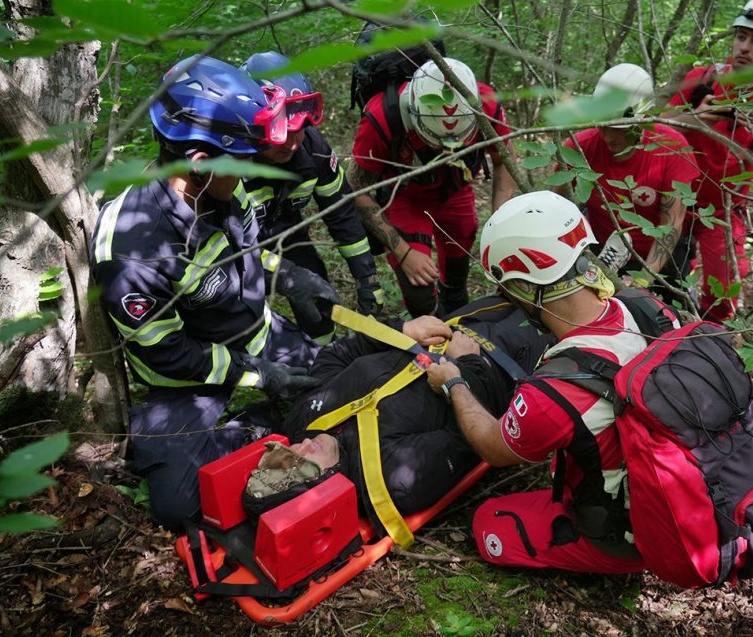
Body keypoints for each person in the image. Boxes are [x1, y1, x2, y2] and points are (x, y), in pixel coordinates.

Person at [90, 56, 338, 531]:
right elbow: (165, 353)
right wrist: (256, 376)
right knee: (180, 506)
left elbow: (242, 250)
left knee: (342, 380)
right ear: (200, 163)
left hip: (258, 336)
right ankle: (254, 424)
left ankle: (267, 417)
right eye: (243, 161)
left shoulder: (221, 188)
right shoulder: (134, 249)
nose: (249, 173)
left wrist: (284, 275)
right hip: (184, 385)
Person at [425, 191, 668, 573]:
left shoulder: (556, 392)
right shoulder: (648, 308)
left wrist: (454, 380)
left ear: (523, 288)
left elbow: (493, 447)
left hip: (624, 535)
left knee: (488, 521)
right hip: (683, 491)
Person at [281, 298, 554, 528]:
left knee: (527, 286)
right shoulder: (394, 481)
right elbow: (473, 437)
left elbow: (337, 355)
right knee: (566, 310)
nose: (303, 446)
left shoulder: (305, 421)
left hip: (449, 329)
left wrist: (403, 330)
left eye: (286, 454)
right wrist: (469, 364)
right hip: (498, 363)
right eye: (302, 465)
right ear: (324, 492)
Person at [665, 0, 753, 321]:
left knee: (723, 297)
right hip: (675, 202)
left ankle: (706, 344)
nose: (744, 48)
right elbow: (655, 128)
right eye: (741, 37)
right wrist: (694, 118)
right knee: (662, 284)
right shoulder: (702, 77)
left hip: (724, 211)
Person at [347, 57, 517, 318]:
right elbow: (356, 190)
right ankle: (433, 332)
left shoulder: (485, 103)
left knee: (457, 272)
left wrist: (499, 221)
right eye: (436, 143)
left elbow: (505, 160)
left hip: (456, 190)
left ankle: (456, 313)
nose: (447, 150)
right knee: (419, 290)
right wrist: (403, 252)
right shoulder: (383, 116)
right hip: (405, 197)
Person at [240, 52, 380, 345]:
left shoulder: (314, 149)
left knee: (318, 297)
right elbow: (222, 249)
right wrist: (287, 276)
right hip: (230, 253)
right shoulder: (228, 161)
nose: (292, 143)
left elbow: (341, 213)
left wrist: (367, 277)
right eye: (280, 130)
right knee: (239, 314)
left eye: (299, 130)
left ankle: (322, 358)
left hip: (287, 233)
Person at [558, 63, 699, 304]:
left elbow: (671, 224)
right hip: (603, 251)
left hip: (664, 258)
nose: (608, 136)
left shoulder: (671, 148)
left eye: (619, 129)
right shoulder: (579, 149)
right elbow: (557, 205)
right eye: (603, 125)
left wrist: (645, 279)